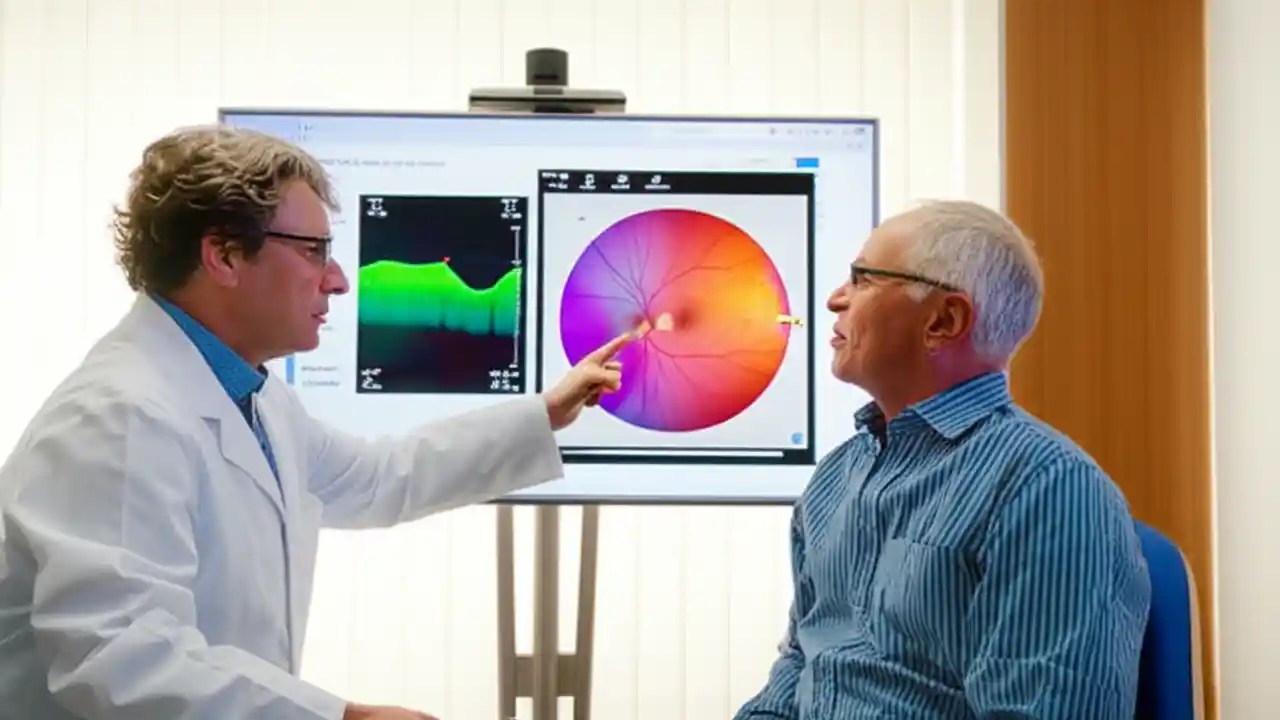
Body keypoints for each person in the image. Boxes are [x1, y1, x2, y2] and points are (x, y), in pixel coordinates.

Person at [0, 125, 630, 720]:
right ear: (222, 254)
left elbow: (381, 476)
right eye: (313, 251)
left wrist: (546, 412)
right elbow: (117, 660)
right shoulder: (119, 416)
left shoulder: (253, 398)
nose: (339, 280)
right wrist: (339, 716)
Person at [734, 201, 1151, 719]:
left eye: (863, 280)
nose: (835, 299)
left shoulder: (1047, 486)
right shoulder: (836, 479)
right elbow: (801, 662)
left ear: (944, 320)